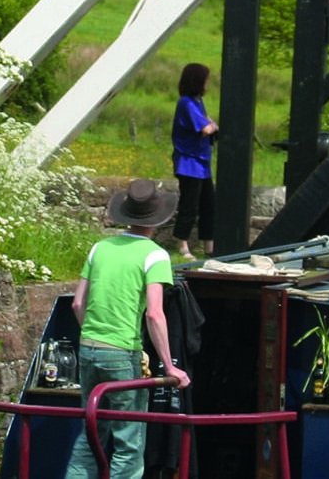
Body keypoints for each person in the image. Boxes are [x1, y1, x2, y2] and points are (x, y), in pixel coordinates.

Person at [64, 179, 191, 479]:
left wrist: (95, 338)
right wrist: (171, 367)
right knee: (129, 443)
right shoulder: (156, 256)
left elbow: (77, 305)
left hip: (89, 348)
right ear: (157, 219)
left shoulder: (99, 249)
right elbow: (155, 315)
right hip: (122, 353)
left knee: (90, 434)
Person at [170, 63, 218, 260]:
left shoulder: (198, 102)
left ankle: (210, 248)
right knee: (190, 205)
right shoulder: (186, 103)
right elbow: (206, 127)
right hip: (188, 163)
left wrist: (211, 124)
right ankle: (182, 246)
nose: (208, 84)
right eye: (205, 80)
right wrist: (213, 126)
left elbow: (208, 121)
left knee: (209, 205)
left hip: (202, 163)